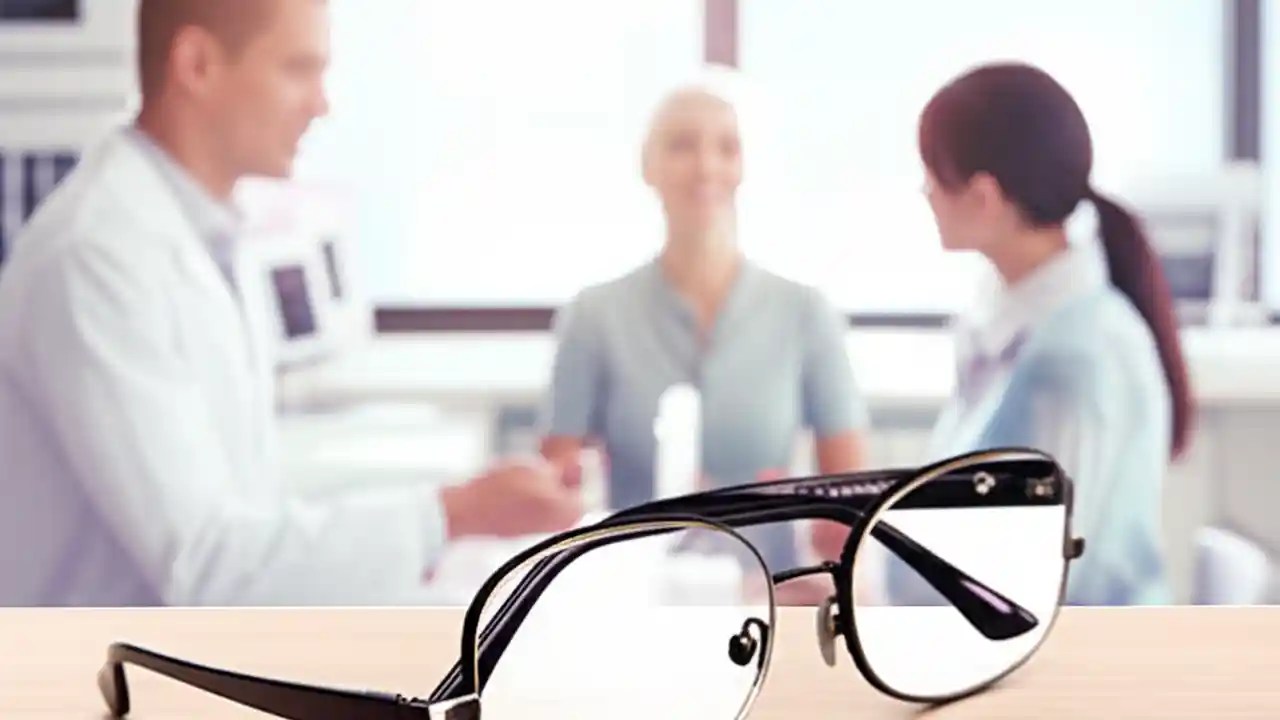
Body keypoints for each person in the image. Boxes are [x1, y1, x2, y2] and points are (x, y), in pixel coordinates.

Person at [0, 0, 582, 607]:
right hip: (84, 685)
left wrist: (450, 514)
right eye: (298, 70)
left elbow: (249, 516)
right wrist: (450, 515)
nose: (321, 103)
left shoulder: (198, 234)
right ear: (197, 65)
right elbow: (210, 565)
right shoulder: (96, 254)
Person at [832, 62, 1191, 606]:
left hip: (1086, 674)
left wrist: (866, 577)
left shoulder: (1074, 355)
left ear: (983, 197)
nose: (924, 190)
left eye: (932, 173)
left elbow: (1028, 581)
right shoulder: (1015, 330)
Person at [538, 68, 872, 580]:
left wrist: (820, 527)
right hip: (636, 594)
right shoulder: (594, 316)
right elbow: (551, 495)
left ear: (743, 167)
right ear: (647, 166)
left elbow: (854, 495)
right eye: (682, 146)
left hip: (773, 596)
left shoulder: (805, 312)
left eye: (726, 148)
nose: (706, 166)